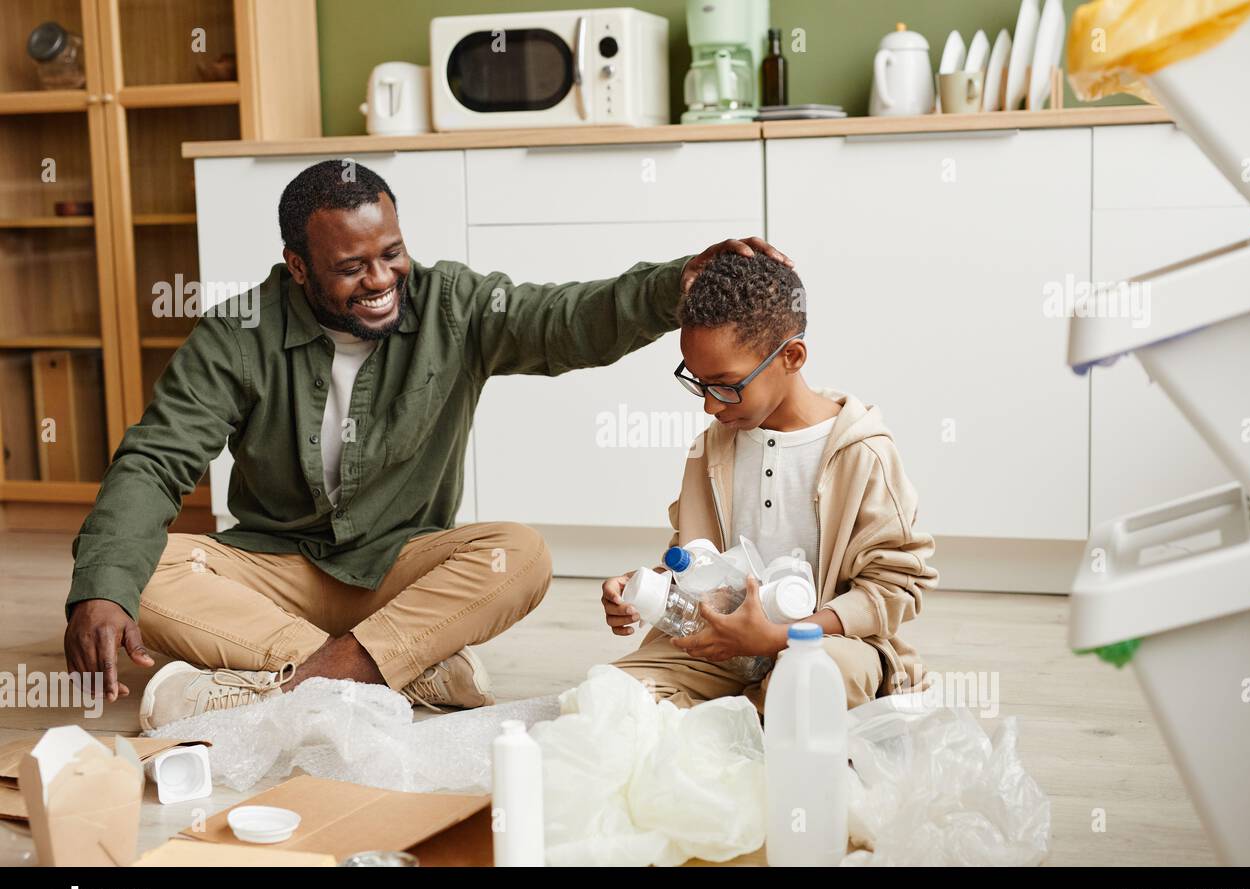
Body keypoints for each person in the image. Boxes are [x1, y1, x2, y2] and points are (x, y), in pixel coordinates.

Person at [61, 158, 792, 730]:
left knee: (522, 554)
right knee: (139, 569)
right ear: (298, 267)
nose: (382, 280)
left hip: (399, 567)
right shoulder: (236, 333)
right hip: (276, 566)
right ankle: (404, 670)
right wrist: (100, 589)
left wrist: (673, 285)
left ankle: (304, 681)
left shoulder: (456, 305)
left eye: (392, 252)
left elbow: (567, 319)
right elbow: (156, 461)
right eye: (352, 268)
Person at [601, 251, 938, 711]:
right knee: (606, 701)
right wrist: (646, 589)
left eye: (725, 384)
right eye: (697, 383)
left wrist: (776, 637)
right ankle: (742, 716)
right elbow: (702, 570)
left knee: (808, 688)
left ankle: (758, 715)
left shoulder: (863, 453)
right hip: (716, 643)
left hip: (824, 645)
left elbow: (895, 588)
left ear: (792, 357)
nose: (710, 406)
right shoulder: (711, 449)